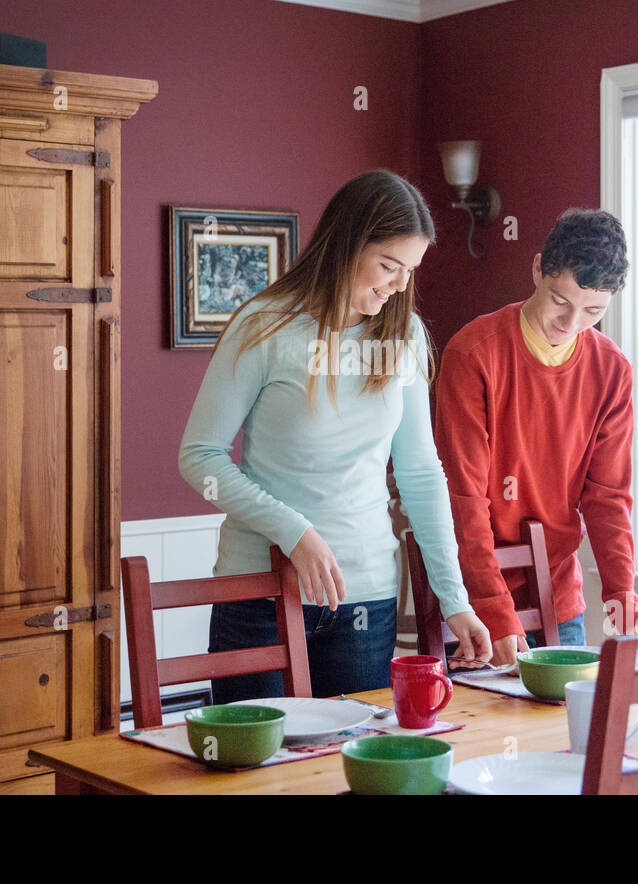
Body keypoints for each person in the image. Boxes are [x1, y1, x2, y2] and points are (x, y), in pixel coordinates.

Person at [179, 169, 492, 702]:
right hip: (260, 594)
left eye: (408, 271)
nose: (398, 285)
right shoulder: (264, 325)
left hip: (365, 602)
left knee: (350, 774)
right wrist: (294, 532)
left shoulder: (404, 334)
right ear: (348, 242)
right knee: (256, 781)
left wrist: (454, 598)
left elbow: (420, 472)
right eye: (389, 266)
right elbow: (200, 457)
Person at [435, 209, 638, 669]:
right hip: (474, 602)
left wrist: (623, 601)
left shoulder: (612, 370)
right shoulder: (473, 353)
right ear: (538, 268)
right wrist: (496, 610)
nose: (571, 322)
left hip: (560, 597)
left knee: (564, 735)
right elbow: (464, 499)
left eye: (593, 311)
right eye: (560, 299)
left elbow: (608, 499)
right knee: (484, 738)